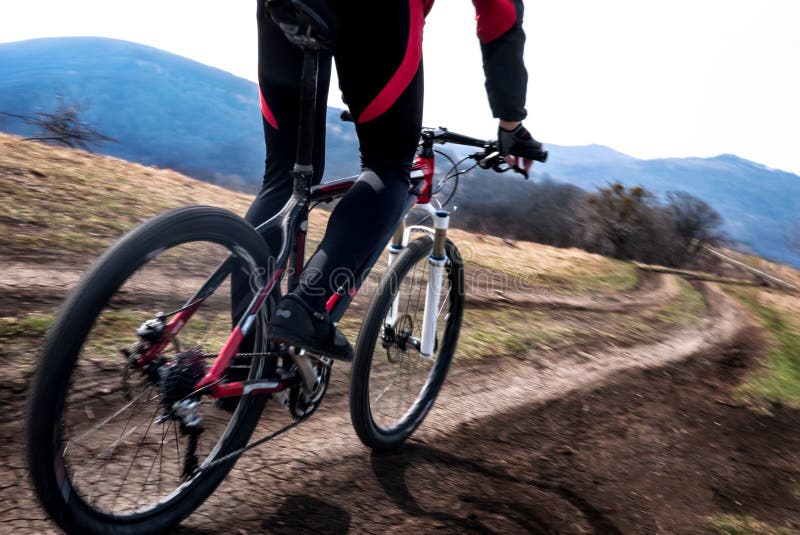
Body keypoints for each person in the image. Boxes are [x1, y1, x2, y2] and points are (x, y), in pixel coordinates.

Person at [243, 0, 546, 360]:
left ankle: (241, 362)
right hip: (379, 14)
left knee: (283, 175)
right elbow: (501, 13)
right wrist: (511, 122)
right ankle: (305, 306)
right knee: (387, 167)